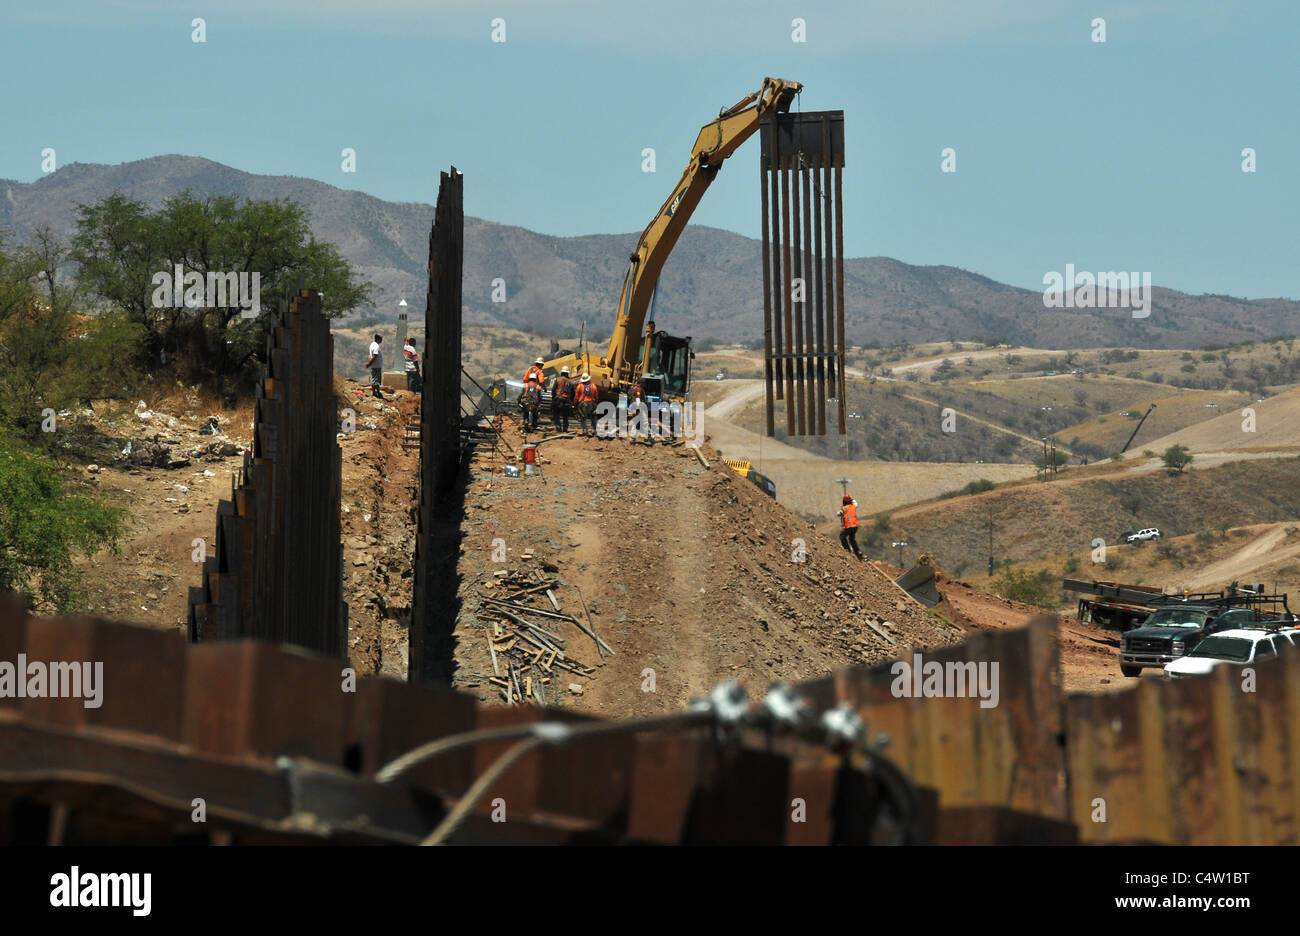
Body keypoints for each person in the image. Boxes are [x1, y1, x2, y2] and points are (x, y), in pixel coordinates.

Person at [837, 494, 862, 558]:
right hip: (855, 526)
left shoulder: (844, 508)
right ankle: (858, 552)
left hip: (848, 526)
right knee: (852, 539)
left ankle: (847, 550)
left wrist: (840, 513)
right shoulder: (854, 505)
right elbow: (855, 502)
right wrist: (852, 499)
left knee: (842, 536)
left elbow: (839, 514)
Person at [552, 366, 574, 433]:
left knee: (556, 414)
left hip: (558, 399)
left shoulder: (558, 380)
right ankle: (565, 429)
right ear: (567, 373)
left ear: (561, 372)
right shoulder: (571, 382)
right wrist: (571, 402)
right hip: (566, 400)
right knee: (565, 416)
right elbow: (573, 393)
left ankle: (558, 427)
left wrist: (553, 399)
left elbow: (553, 390)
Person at [366, 334, 384, 398]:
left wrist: (370, 363)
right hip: (376, 366)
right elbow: (374, 356)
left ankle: (377, 392)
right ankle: (375, 393)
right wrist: (369, 363)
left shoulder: (372, 345)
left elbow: (369, 355)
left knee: (375, 379)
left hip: (374, 365)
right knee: (376, 380)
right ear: (378, 339)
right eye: (381, 339)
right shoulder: (376, 346)